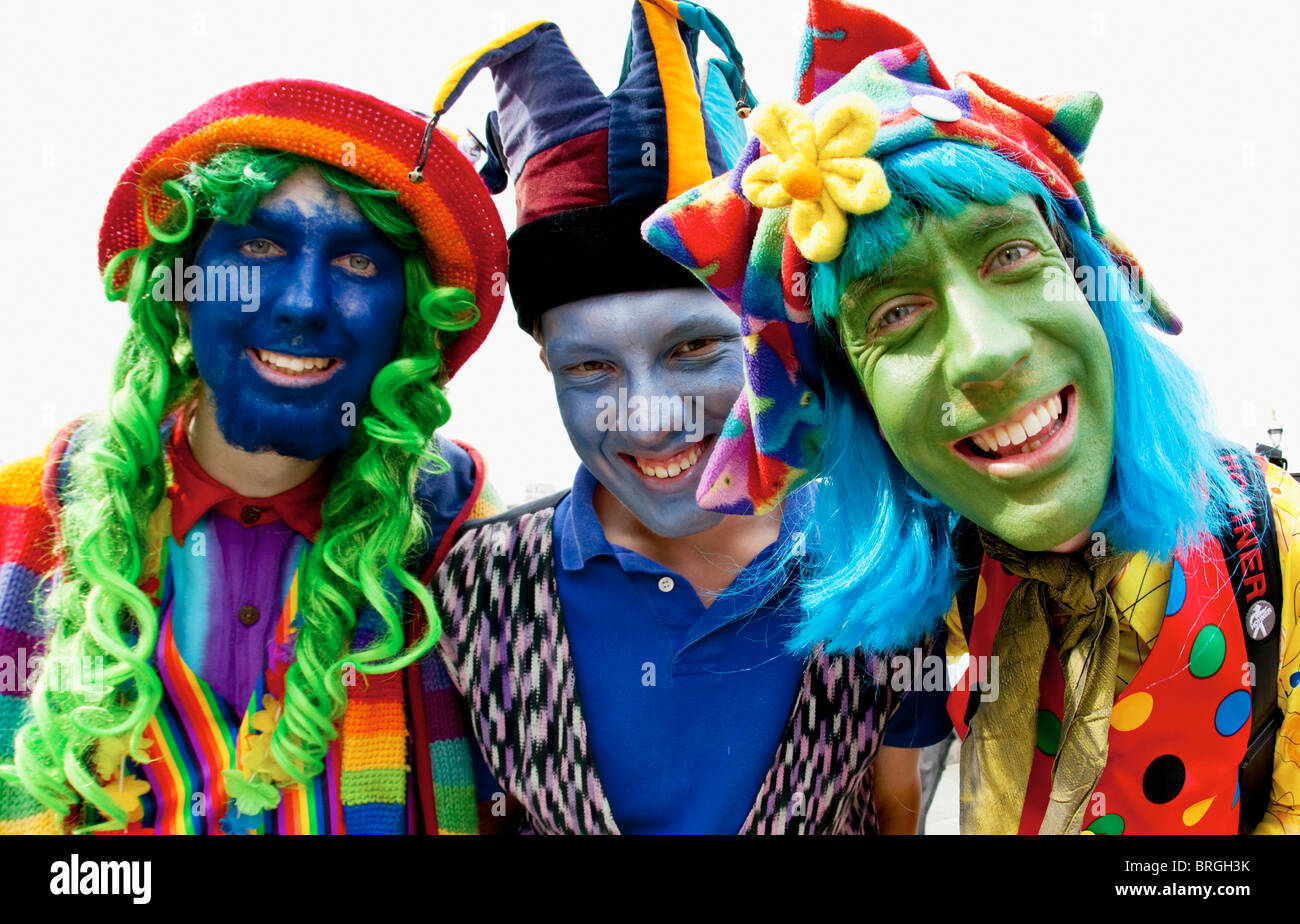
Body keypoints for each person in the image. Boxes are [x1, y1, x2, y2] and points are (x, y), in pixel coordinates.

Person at [645, 0, 1299, 834]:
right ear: (858, 404)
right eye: (894, 314)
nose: (988, 353)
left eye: (1013, 255)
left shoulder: (1272, 540)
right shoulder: (939, 577)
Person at [426, 0, 949, 835]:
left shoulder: (879, 565)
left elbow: (897, 808)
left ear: (769, 333)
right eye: (592, 367)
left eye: (695, 348)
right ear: (547, 366)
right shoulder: (474, 586)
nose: (648, 420)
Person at [0, 79, 508, 834]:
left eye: (360, 262)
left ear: (410, 319)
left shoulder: (473, 548)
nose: (303, 302)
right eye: (258, 247)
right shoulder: (19, 526)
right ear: (181, 286)